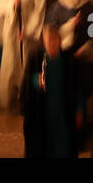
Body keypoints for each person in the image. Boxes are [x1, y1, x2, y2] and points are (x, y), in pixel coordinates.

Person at [21, 22, 85, 159]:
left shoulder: (69, 60)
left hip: (63, 113)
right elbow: (25, 86)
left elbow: (77, 87)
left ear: (60, 41)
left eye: (54, 40)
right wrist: (35, 82)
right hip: (43, 114)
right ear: (43, 41)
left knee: (62, 146)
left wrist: (79, 109)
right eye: (48, 40)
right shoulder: (35, 58)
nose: (51, 44)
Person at [0, 0, 47, 110]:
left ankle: (26, 95)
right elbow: (0, 7)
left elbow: (39, 7)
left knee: (27, 62)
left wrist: (28, 30)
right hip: (11, 29)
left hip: (27, 30)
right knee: (11, 60)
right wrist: (12, 5)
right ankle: (9, 93)